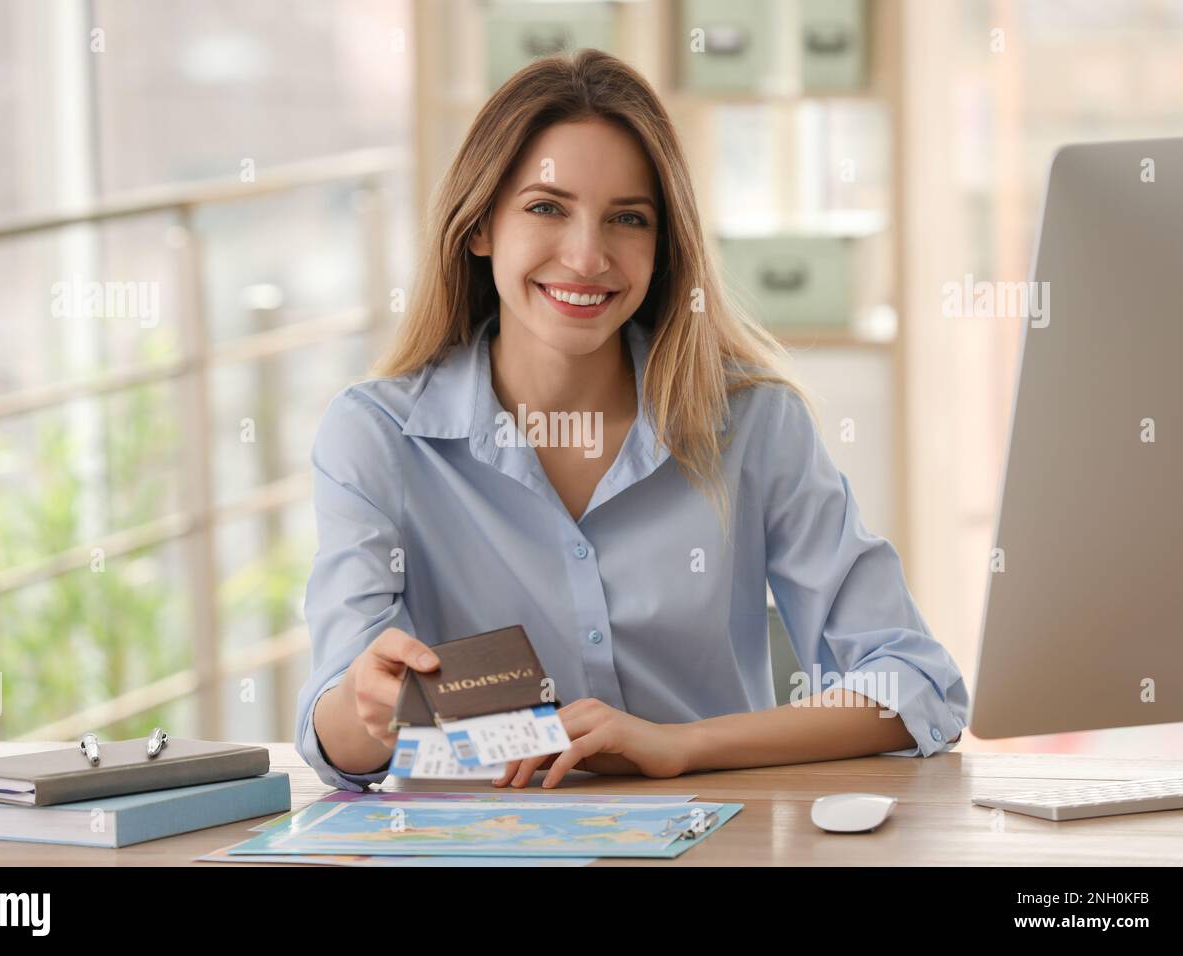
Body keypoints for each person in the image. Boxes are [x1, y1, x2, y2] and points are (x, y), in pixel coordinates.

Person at [295, 49, 967, 792]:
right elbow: (335, 742)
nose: (587, 257)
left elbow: (914, 685)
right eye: (547, 207)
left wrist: (680, 745)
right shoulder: (376, 439)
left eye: (628, 219)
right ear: (480, 225)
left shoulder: (753, 424)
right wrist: (367, 705)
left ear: (663, 247)